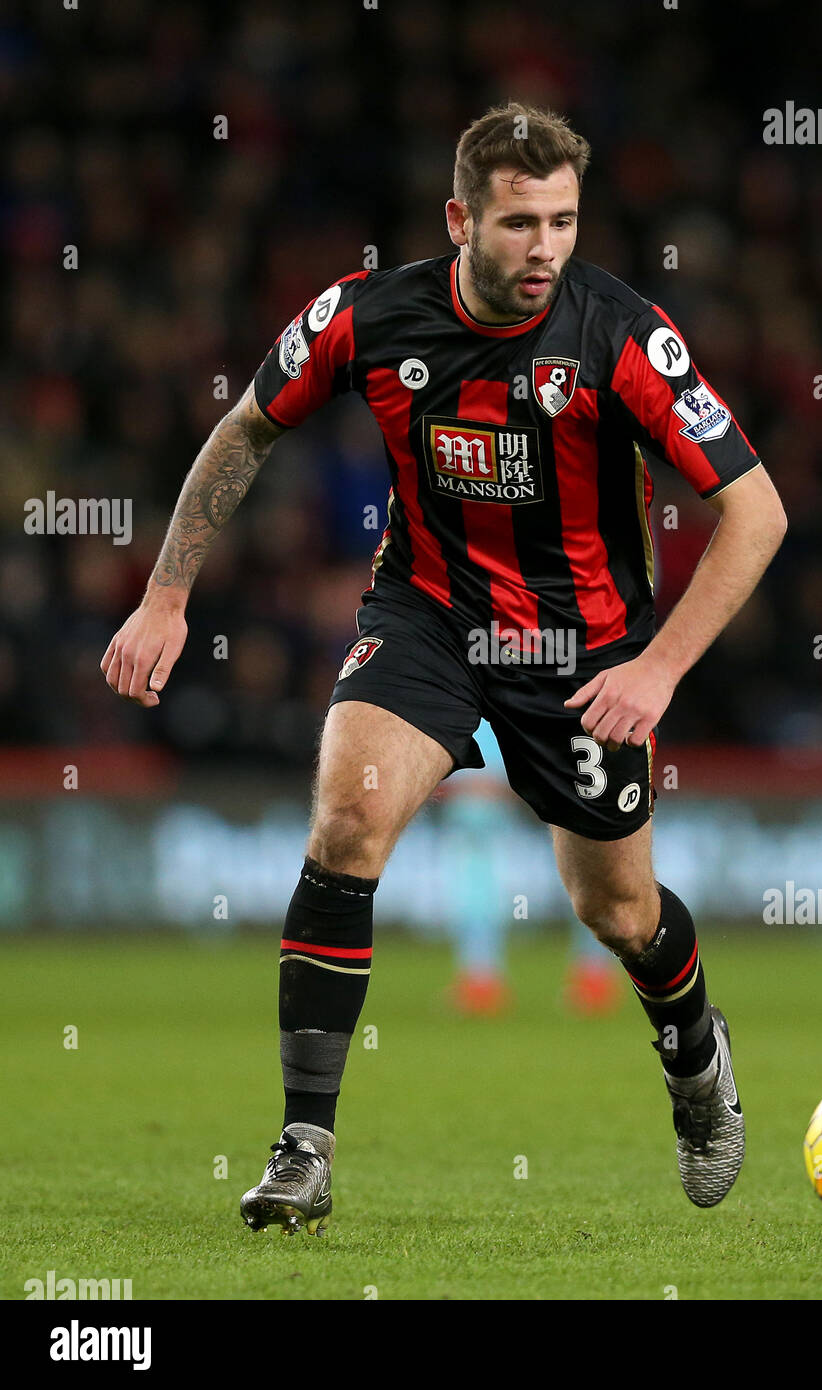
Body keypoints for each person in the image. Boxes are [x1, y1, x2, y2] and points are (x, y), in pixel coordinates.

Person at [101, 102, 787, 1235]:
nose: (547, 249)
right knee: (347, 828)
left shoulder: (622, 334)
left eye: (565, 222)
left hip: (580, 650)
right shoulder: (366, 316)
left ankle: (697, 1061)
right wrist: (167, 594)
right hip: (426, 616)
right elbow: (245, 428)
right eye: (522, 224)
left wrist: (659, 670)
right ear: (462, 218)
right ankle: (305, 1147)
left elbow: (754, 510)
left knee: (615, 911)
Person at [440, 718, 623, 1017]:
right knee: (476, 831)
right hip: (554, 751)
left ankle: (593, 976)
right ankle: (481, 979)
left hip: (559, 752)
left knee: (588, 861)